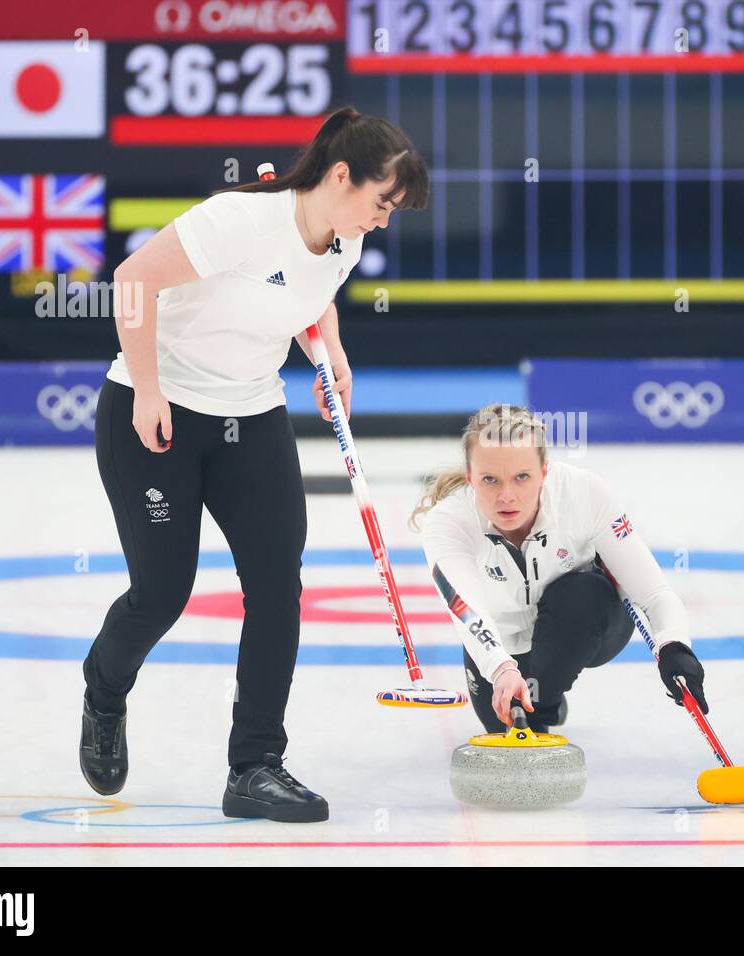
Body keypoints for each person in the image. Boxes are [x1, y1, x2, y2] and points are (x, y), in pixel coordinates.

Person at [79, 107, 428, 822]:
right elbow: (134, 279)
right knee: (162, 592)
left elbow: (312, 300)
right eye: (382, 202)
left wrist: (329, 354)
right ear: (340, 176)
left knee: (277, 585)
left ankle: (254, 765)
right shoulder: (242, 218)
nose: (385, 220)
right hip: (157, 414)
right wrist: (148, 388)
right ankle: (104, 693)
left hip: (252, 415)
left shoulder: (345, 239)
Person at [411, 404, 708, 734]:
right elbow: (467, 609)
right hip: (502, 643)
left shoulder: (584, 494)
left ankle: (545, 694)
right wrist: (500, 669)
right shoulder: (449, 521)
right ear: (470, 478)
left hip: (588, 622)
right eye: (490, 480)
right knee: (501, 724)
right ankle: (539, 687)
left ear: (544, 472)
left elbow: (653, 593)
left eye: (522, 477)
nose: (506, 496)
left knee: (581, 596)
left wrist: (675, 646)